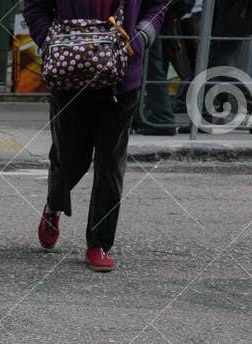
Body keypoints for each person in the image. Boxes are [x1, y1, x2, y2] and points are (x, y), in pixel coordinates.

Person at [26, 0, 172, 272]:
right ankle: (53, 204)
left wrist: (138, 38)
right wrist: (48, 41)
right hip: (68, 71)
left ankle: (99, 243)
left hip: (121, 76)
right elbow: (35, 7)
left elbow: (158, 6)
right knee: (68, 157)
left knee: (110, 163)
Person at [205, 0, 252, 131]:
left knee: (222, 68)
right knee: (213, 67)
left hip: (232, 21)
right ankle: (204, 117)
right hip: (224, 20)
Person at [135, 0, 195, 135]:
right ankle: (155, 116)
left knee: (152, 68)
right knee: (155, 67)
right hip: (158, 18)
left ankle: (162, 119)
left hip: (151, 19)